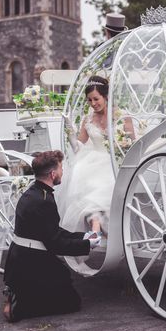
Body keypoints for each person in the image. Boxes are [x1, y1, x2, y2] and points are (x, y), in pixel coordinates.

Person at [3, 150, 101, 322]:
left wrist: (84, 236)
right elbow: (56, 244)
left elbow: (52, 231)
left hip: (20, 258)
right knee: (72, 303)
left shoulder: (33, 192)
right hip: (30, 262)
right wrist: (88, 246)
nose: (63, 172)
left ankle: (19, 291)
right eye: (61, 168)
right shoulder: (44, 200)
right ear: (52, 174)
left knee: (63, 281)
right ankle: (19, 307)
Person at [58, 76, 114, 237]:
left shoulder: (120, 116)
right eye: (89, 100)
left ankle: (99, 229)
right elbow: (78, 147)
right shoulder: (88, 119)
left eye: (96, 99)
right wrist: (70, 131)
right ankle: (95, 229)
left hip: (116, 162)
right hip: (94, 162)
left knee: (103, 185)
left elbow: (133, 143)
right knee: (86, 182)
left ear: (106, 97)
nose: (93, 103)